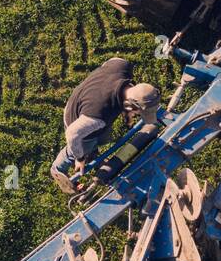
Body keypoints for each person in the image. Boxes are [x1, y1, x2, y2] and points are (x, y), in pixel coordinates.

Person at [50, 58, 160, 193]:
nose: (137, 115)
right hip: (76, 119)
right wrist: (79, 158)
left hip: (85, 103)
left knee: (104, 137)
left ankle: (91, 155)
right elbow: (72, 134)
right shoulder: (99, 116)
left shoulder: (122, 67)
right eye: (138, 113)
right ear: (129, 105)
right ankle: (57, 169)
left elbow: (113, 60)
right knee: (84, 146)